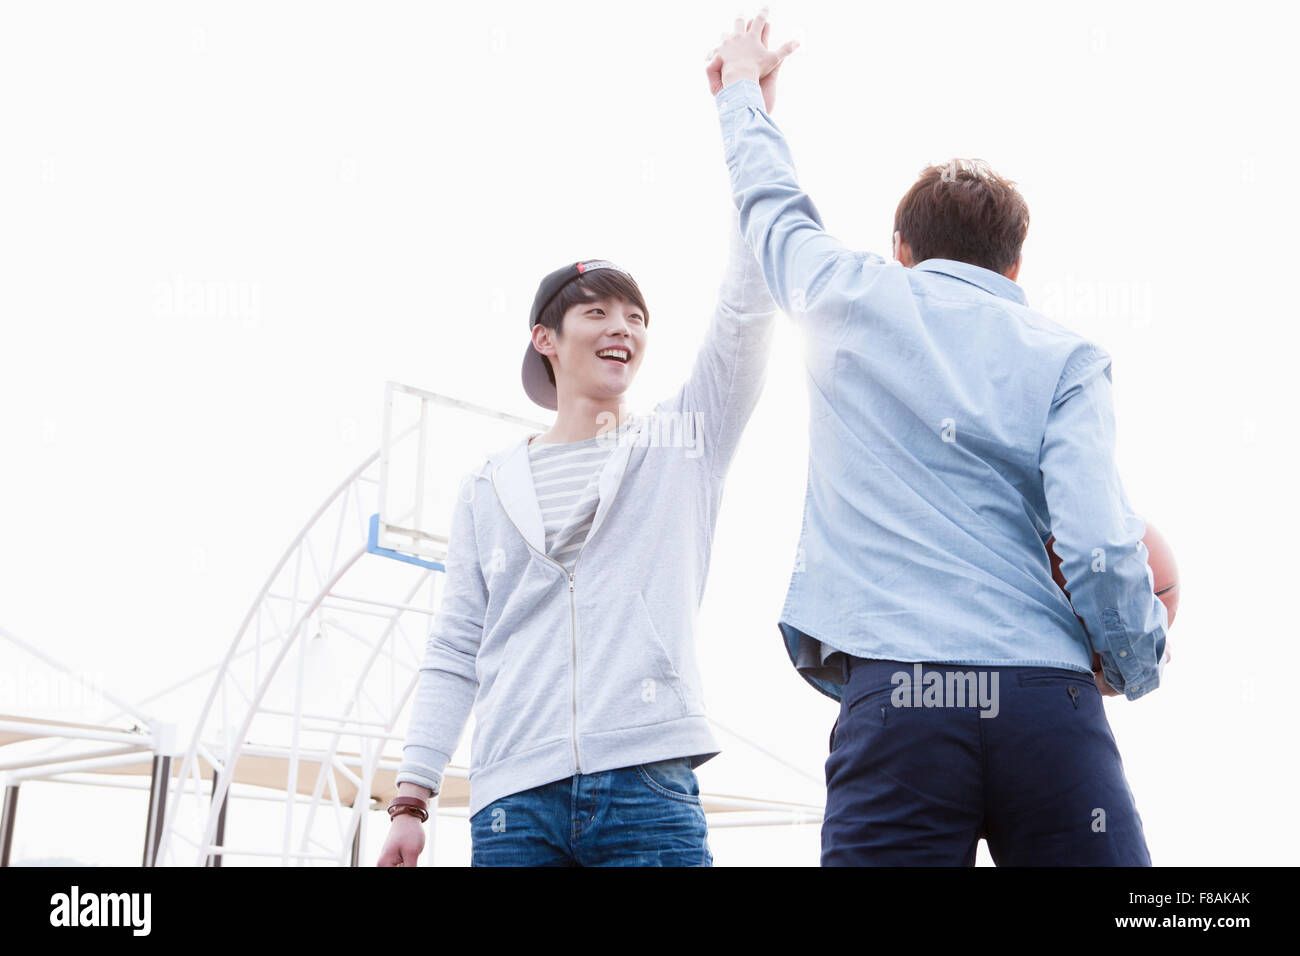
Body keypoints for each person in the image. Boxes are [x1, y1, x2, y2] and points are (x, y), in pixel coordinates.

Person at [706, 9, 1168, 865]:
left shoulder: (844, 294)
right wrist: (1134, 662)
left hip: (901, 700)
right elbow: (1102, 547)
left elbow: (772, 204)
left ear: (901, 247)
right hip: (1045, 699)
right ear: (1016, 264)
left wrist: (742, 93)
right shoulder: (1069, 358)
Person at [376, 55, 798, 865]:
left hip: (647, 785)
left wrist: (748, 121)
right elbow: (456, 647)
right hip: (512, 801)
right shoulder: (487, 488)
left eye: (636, 317)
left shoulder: (682, 444)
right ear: (546, 338)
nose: (623, 329)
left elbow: (747, 305)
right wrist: (412, 797)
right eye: (598, 312)